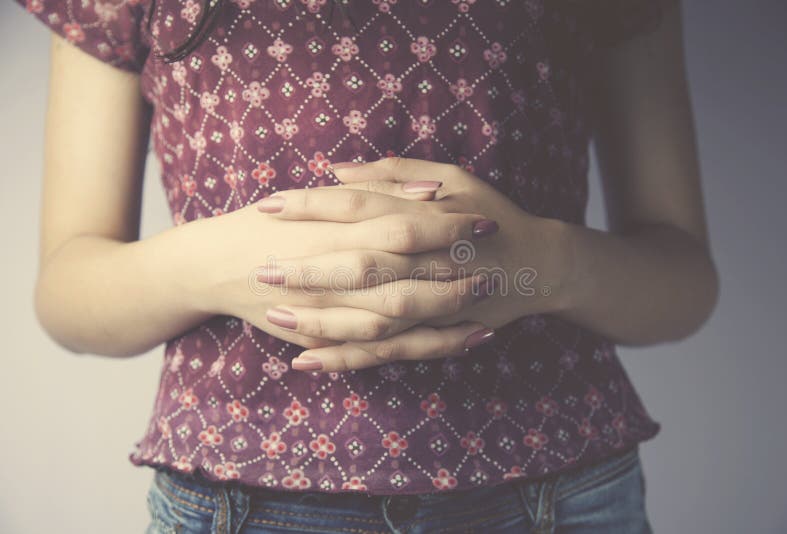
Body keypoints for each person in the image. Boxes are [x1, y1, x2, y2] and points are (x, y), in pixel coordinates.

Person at [16, 0, 717, 532]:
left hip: (558, 489)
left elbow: (683, 283)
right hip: (236, 493)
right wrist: (215, 265)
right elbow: (67, 294)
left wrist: (541, 265)